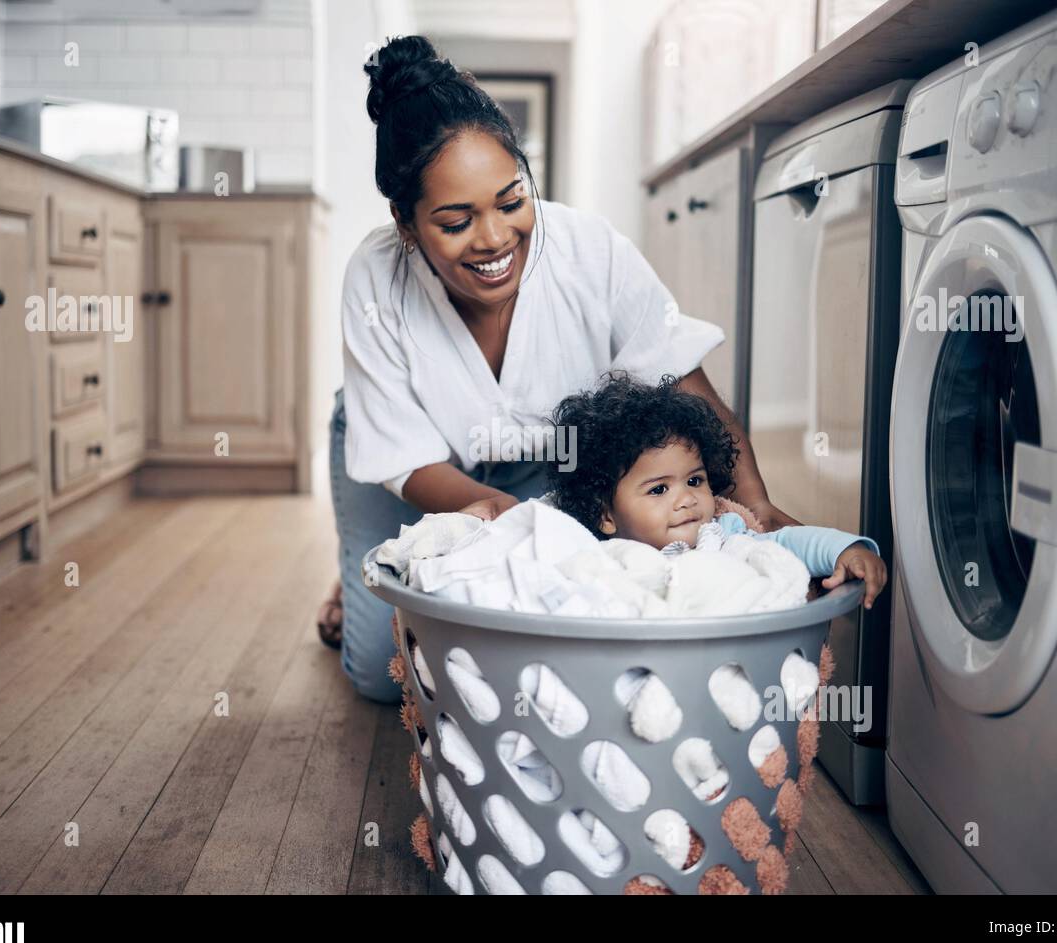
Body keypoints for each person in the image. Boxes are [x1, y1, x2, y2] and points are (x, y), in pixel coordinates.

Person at [320, 35, 798, 703]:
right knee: (384, 674)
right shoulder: (375, 278)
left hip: (544, 462)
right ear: (405, 222)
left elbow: (685, 386)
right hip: (407, 462)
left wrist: (756, 501)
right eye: (456, 222)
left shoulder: (590, 252)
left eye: (510, 201)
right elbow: (404, 458)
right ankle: (364, 565)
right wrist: (512, 527)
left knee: (571, 604)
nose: (494, 238)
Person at [543, 372, 887, 608]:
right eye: (659, 489)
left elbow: (786, 544)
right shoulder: (600, 560)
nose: (686, 498)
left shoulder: (724, 536)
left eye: (694, 481)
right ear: (606, 515)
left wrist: (844, 549)